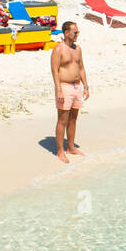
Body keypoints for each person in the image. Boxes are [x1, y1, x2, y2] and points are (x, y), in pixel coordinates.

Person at [50, 20, 89, 163]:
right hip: (64, 86)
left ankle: (71, 147)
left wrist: (86, 86)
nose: (77, 34)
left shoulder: (77, 49)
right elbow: (54, 71)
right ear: (66, 33)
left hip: (77, 86)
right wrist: (58, 90)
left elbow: (81, 68)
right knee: (62, 120)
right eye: (75, 32)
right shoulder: (58, 49)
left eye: (77, 32)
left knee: (73, 118)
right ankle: (60, 151)